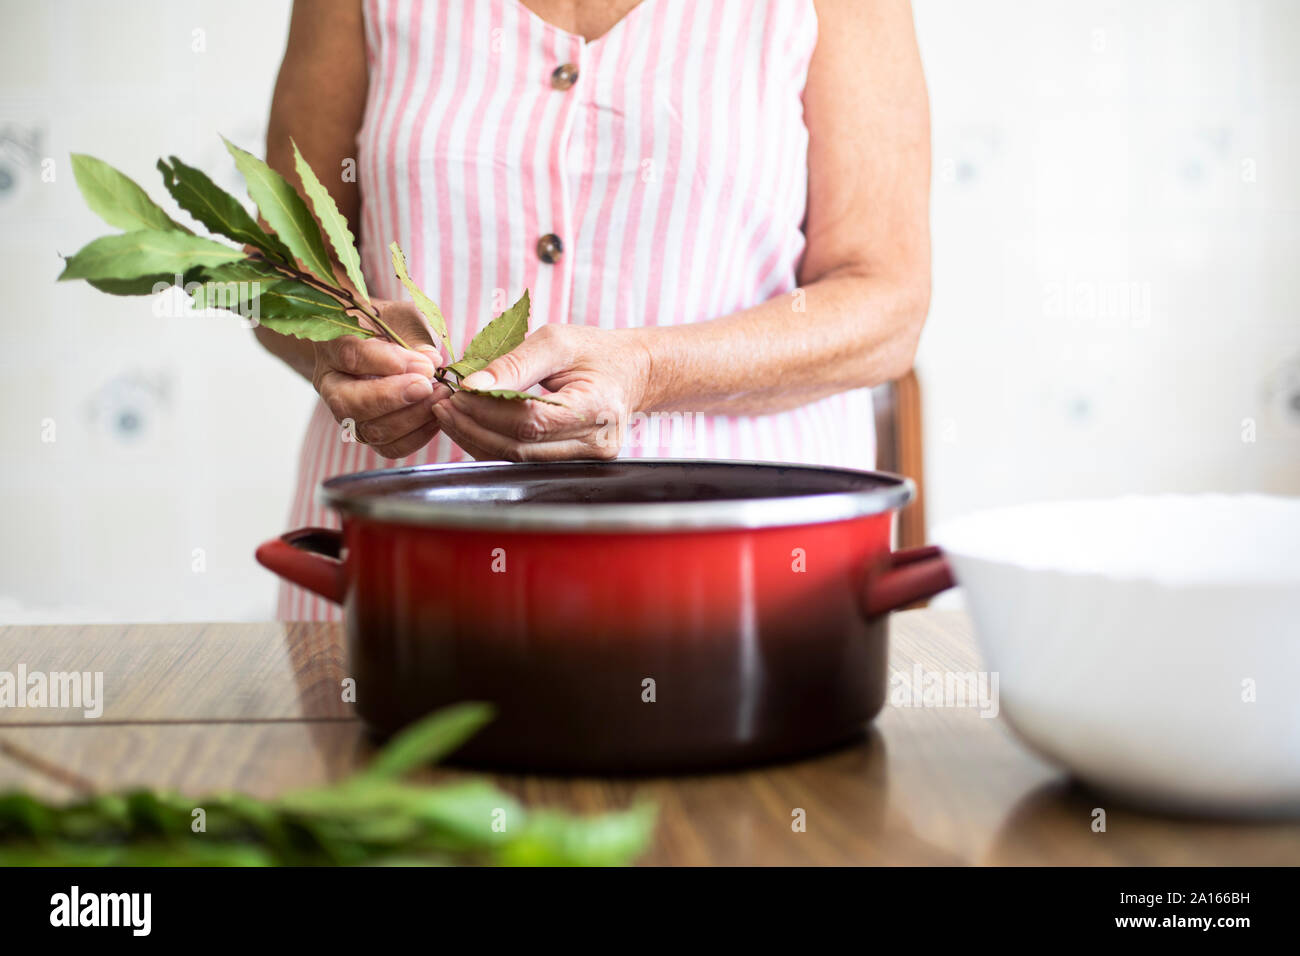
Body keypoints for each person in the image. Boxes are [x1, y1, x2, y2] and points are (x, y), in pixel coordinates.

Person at [261, 0, 931, 618]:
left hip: (750, 598)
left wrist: (649, 369)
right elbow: (274, 270)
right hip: (397, 587)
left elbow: (886, 300)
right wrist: (347, 337)